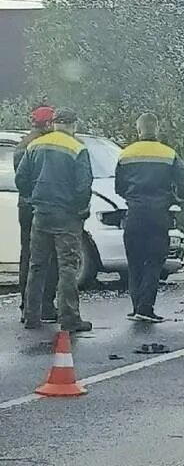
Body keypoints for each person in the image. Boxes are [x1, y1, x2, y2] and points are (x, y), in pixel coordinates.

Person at [15, 109, 93, 332]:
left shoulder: (34, 145)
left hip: (41, 214)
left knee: (37, 266)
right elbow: (83, 186)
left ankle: (31, 315)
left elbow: (22, 178)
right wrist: (79, 210)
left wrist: (33, 198)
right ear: (73, 124)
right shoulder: (77, 148)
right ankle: (70, 318)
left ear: (54, 123)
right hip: (66, 216)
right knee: (67, 266)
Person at [115, 113, 184, 323]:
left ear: (138, 130)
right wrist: (175, 198)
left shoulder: (125, 154)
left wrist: (133, 197)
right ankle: (145, 308)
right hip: (159, 215)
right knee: (155, 260)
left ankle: (136, 306)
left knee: (135, 262)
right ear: (156, 129)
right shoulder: (168, 154)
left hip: (135, 214)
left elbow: (118, 187)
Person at [14, 105, 59, 323]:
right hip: (42, 207)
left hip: (25, 206)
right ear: (49, 124)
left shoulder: (22, 144)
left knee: (28, 255)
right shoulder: (44, 145)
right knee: (47, 257)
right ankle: (45, 306)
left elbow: (20, 179)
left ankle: (27, 303)